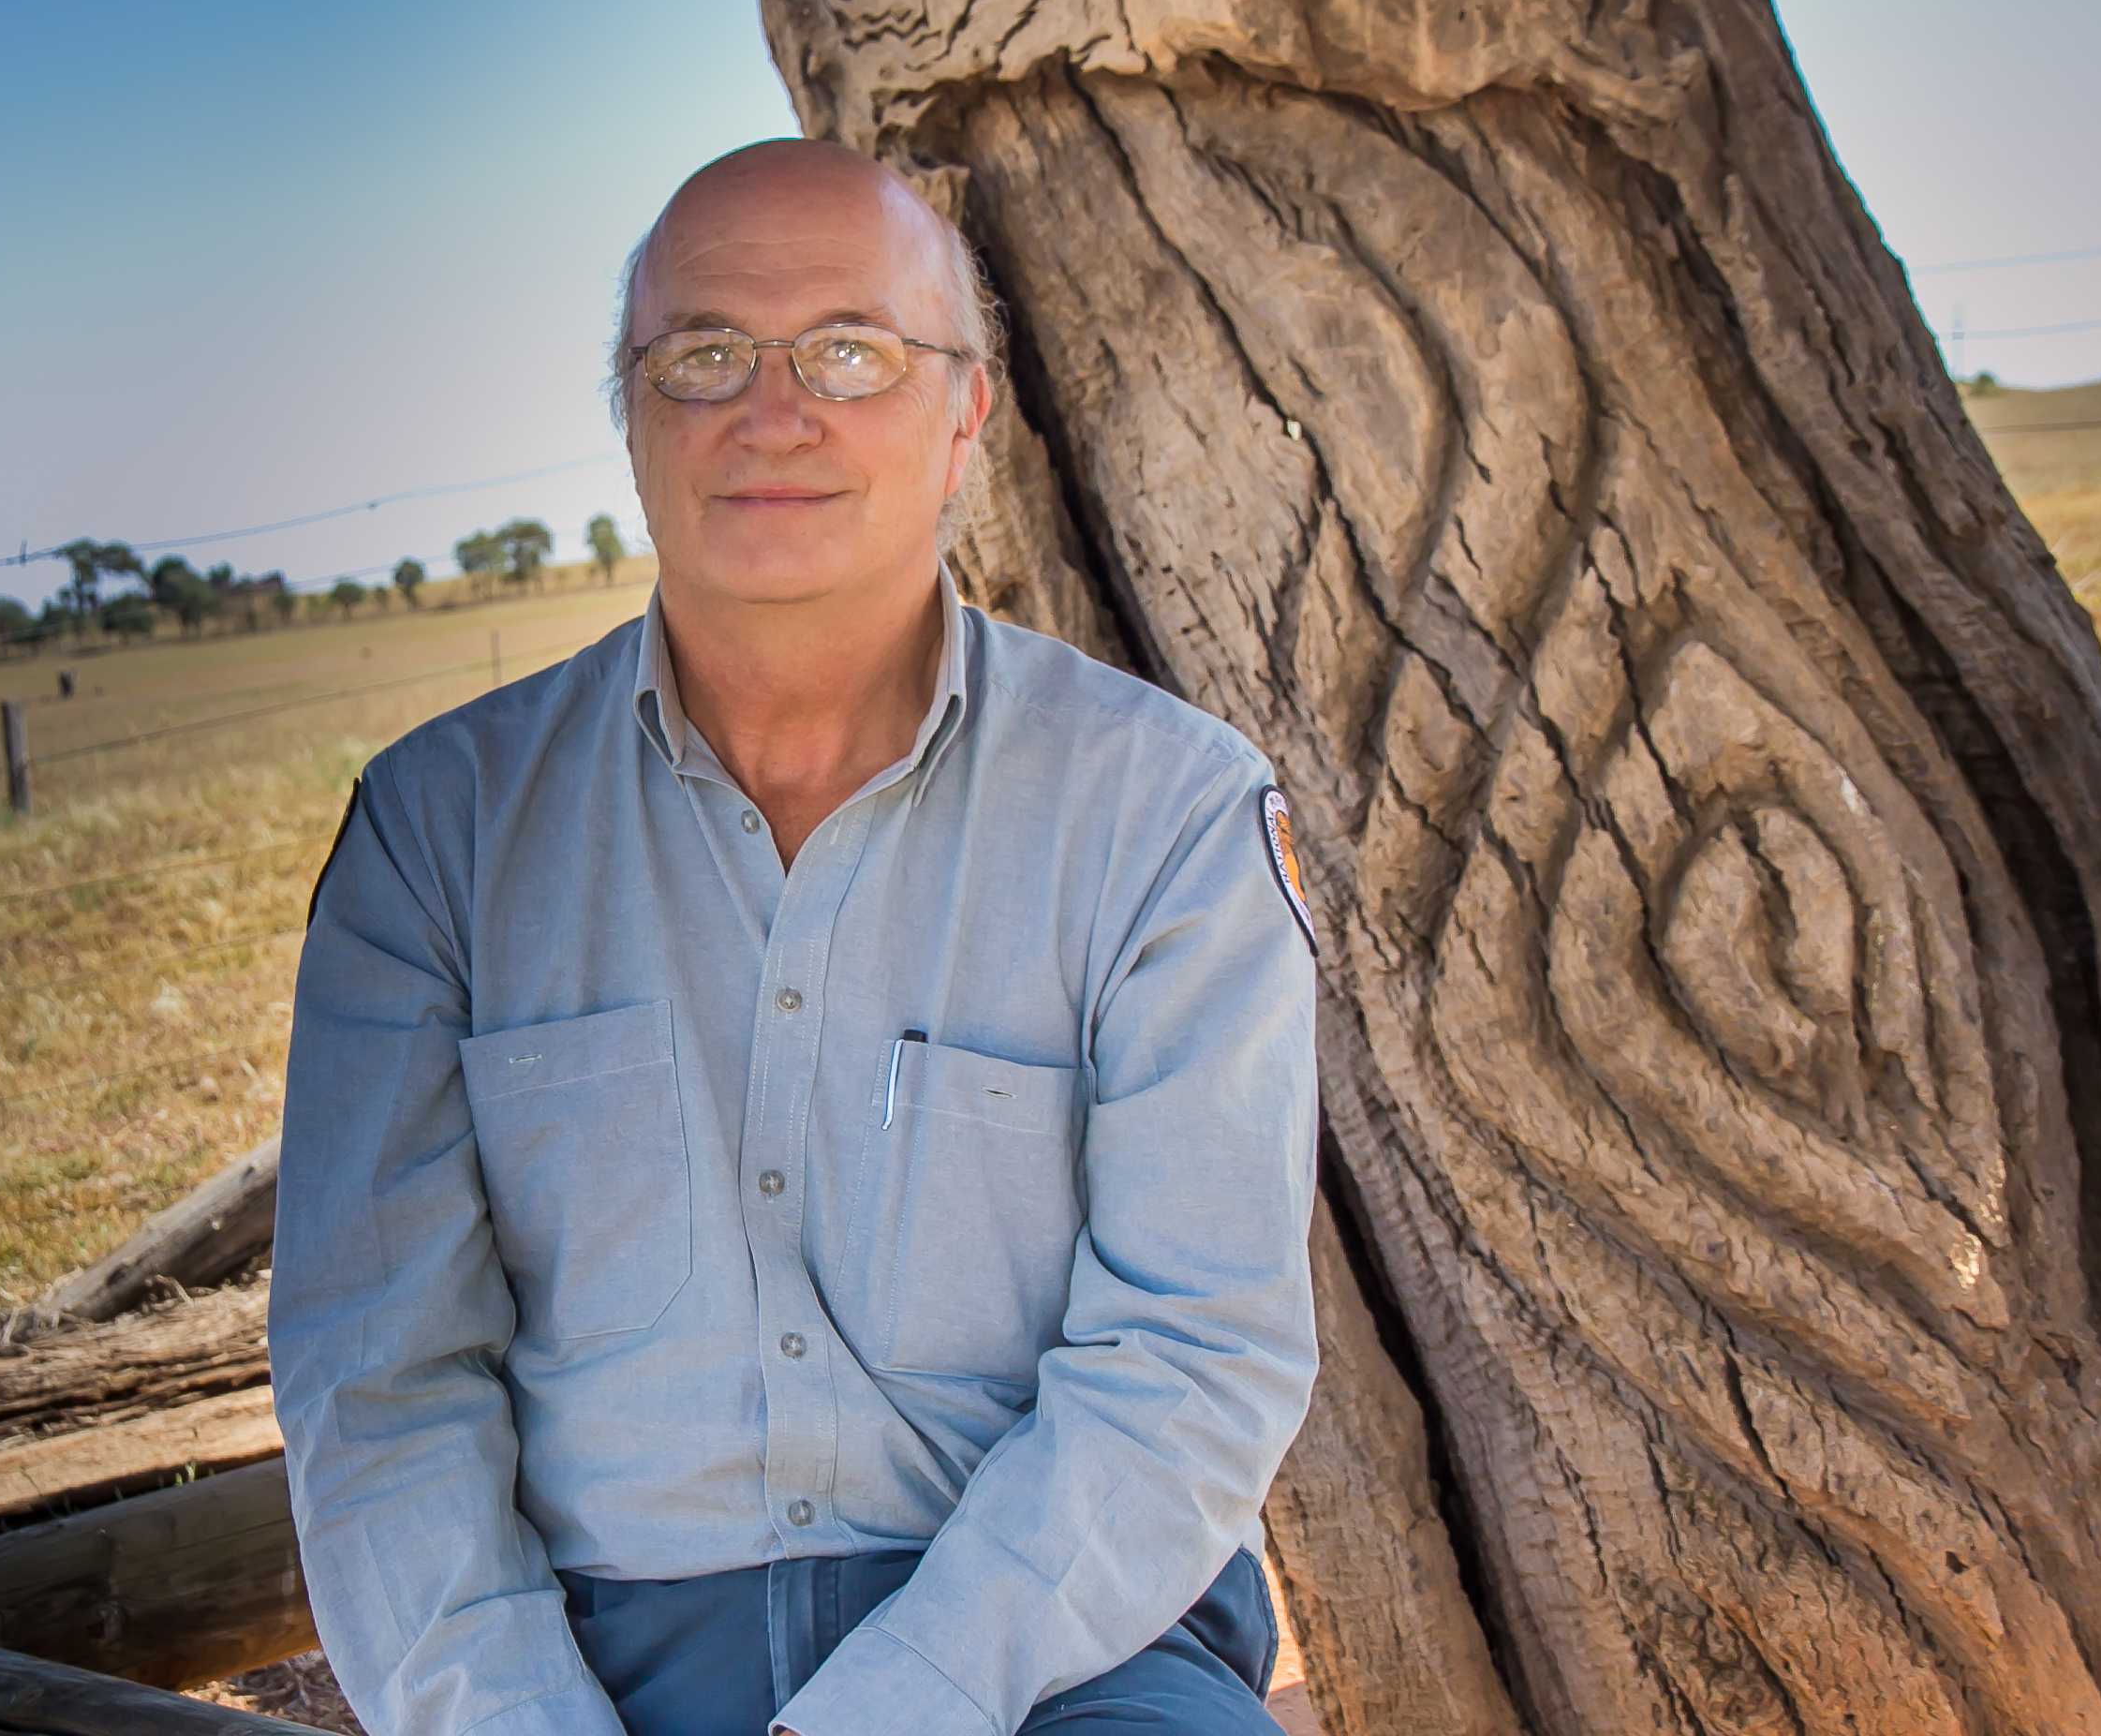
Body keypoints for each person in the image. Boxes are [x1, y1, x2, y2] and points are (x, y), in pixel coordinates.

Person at [267, 137, 1323, 1736]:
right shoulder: (439, 837)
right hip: (596, 1664)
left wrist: (893, 1705)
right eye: (703, 355)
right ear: (631, 419)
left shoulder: (1163, 816)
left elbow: (1192, 1353)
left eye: (851, 350)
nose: (774, 411)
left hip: (1058, 1655)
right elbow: (380, 1386)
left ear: (967, 412)